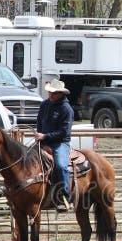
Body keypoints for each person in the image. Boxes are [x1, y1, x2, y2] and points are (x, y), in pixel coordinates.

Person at [35, 78, 74, 209]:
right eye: (50, 92)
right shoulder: (44, 104)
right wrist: (42, 138)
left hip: (60, 143)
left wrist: (44, 136)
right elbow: (39, 122)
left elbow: (64, 132)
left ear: (61, 94)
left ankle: (64, 196)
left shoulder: (66, 109)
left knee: (61, 165)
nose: (51, 95)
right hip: (44, 141)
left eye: (54, 93)